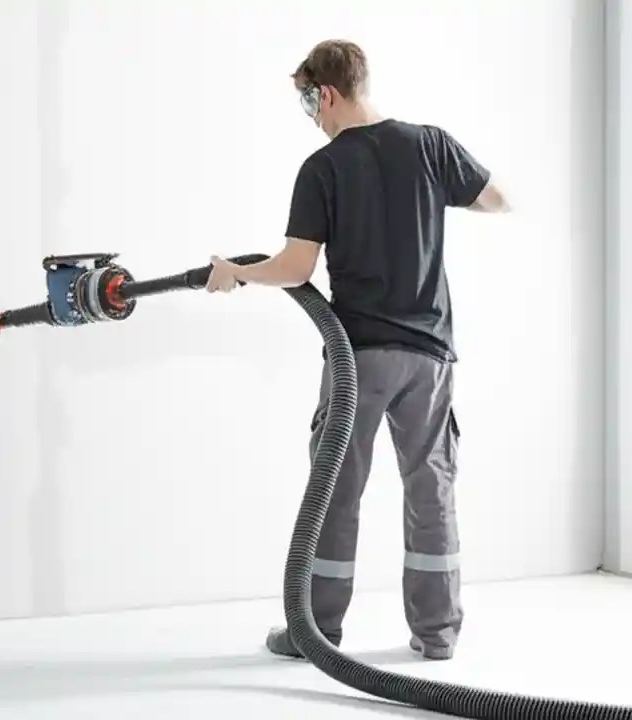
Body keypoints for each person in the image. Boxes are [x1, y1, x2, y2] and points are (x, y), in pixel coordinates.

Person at [205, 39, 510, 661]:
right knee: (431, 488)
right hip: (429, 356)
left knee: (336, 490)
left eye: (308, 102)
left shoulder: (324, 168)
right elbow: (494, 198)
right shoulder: (430, 145)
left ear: (327, 92)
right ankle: (438, 634)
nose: (312, 116)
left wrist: (236, 270)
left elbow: (294, 268)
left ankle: (316, 633)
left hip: (359, 358)